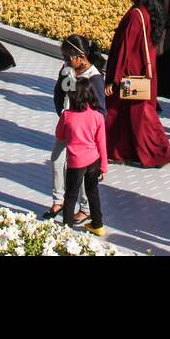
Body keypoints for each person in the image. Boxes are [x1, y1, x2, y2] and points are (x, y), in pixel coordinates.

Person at [104, 0, 170, 168]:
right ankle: (119, 152)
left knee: (133, 114)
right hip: (144, 76)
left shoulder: (136, 15)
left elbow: (125, 51)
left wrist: (114, 79)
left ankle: (157, 153)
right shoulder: (148, 12)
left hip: (131, 76)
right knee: (129, 114)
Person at [46, 34, 106, 223]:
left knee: (80, 168)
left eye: (67, 58)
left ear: (80, 57)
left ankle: (86, 208)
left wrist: (88, 126)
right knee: (56, 160)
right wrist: (62, 115)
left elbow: (101, 110)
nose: (65, 61)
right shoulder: (67, 70)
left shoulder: (94, 78)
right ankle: (58, 200)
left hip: (84, 133)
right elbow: (60, 91)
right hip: (68, 124)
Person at [56, 79, 108, 237]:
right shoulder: (98, 117)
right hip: (94, 160)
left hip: (75, 162)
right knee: (93, 191)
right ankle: (97, 225)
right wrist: (104, 166)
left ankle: (67, 228)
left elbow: (60, 135)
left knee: (71, 195)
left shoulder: (67, 116)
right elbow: (102, 143)